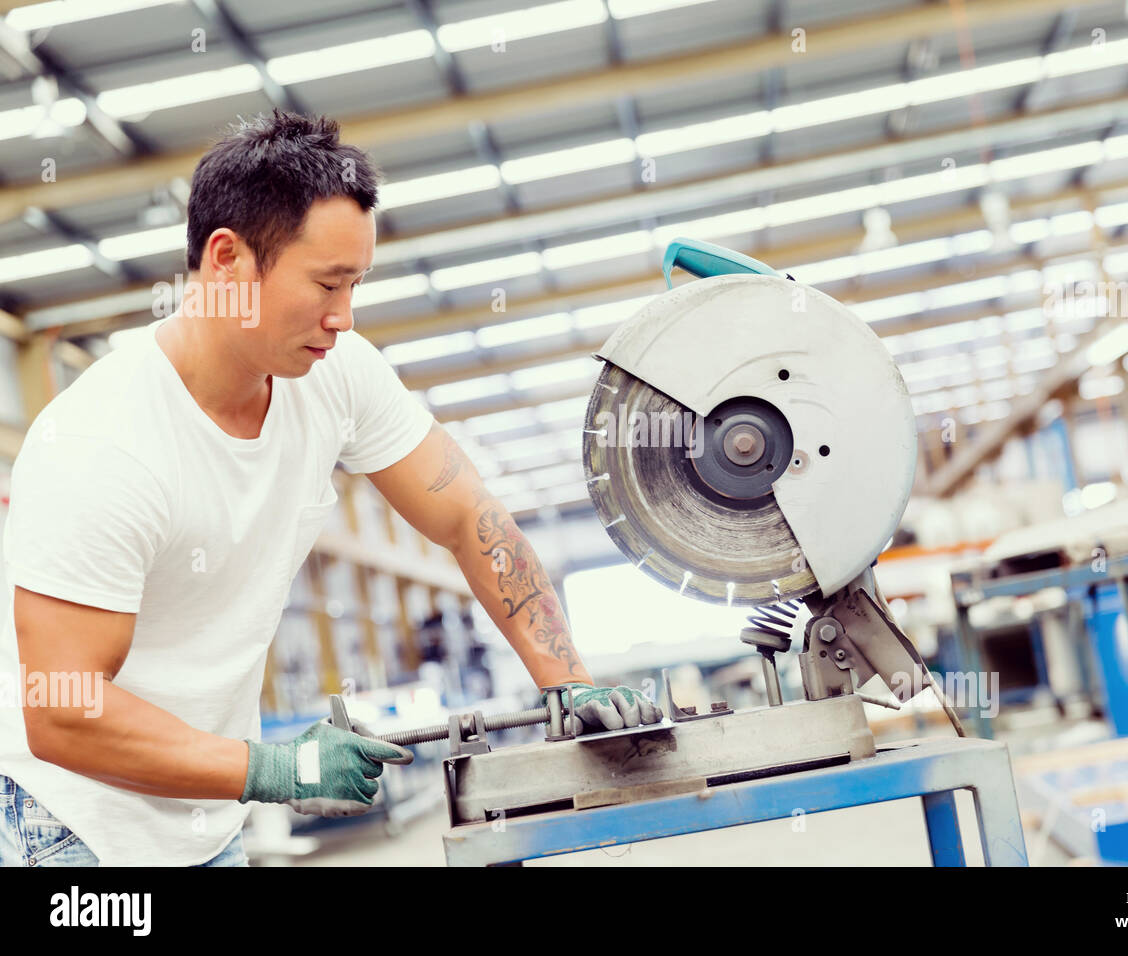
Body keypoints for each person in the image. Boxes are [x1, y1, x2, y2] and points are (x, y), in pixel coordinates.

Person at [0, 110, 659, 867]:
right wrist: (275, 769)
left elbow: (465, 513)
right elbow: (61, 713)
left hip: (206, 822)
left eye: (356, 284)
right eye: (325, 283)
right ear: (227, 263)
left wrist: (568, 682)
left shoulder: (334, 372)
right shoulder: (102, 444)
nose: (343, 317)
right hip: (70, 828)